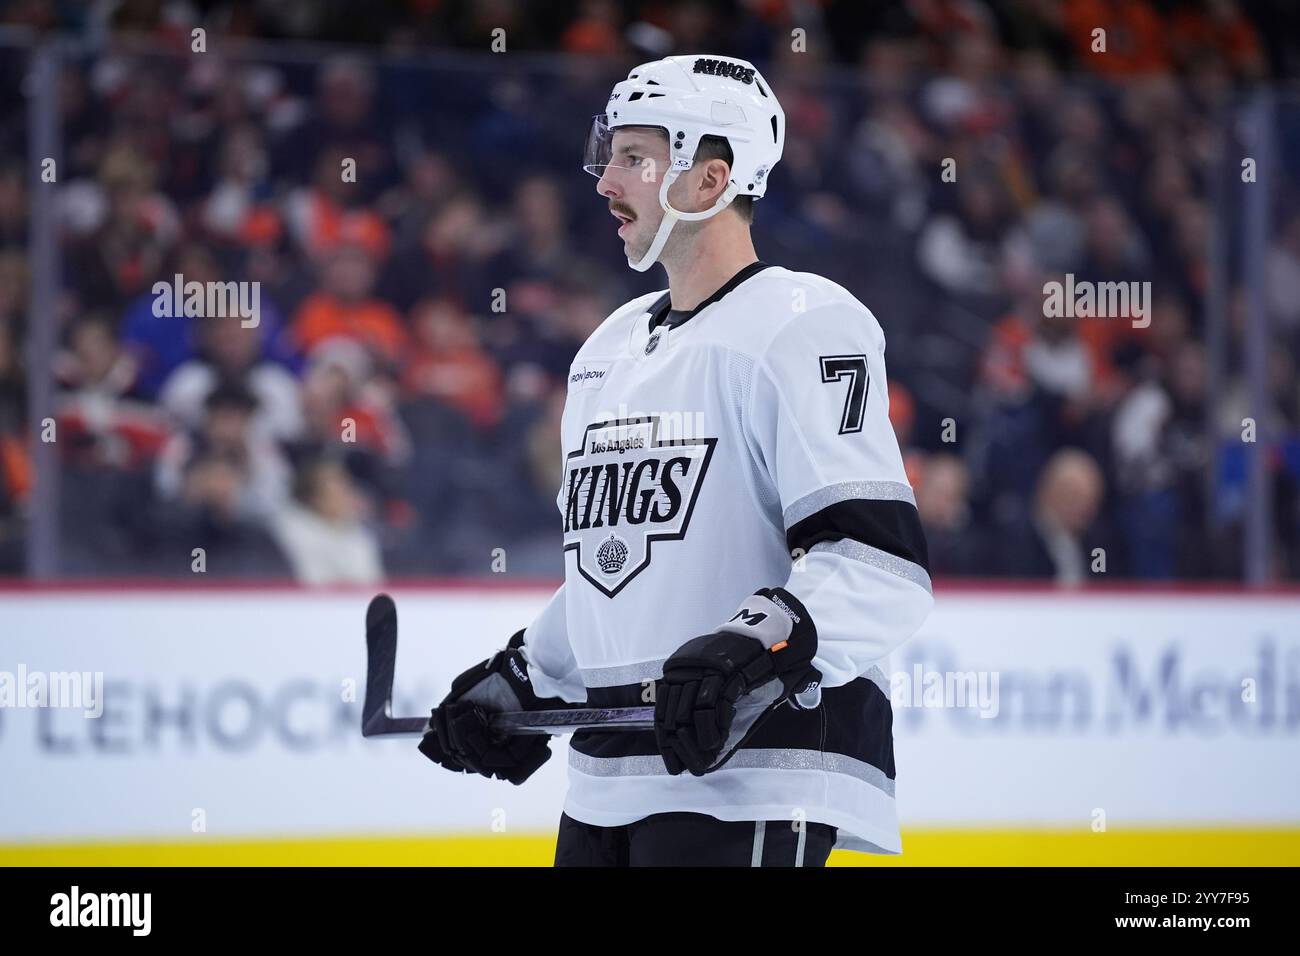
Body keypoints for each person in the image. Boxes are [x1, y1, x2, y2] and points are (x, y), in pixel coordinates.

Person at [417, 55, 933, 867]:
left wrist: (749, 647)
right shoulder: (605, 351)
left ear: (709, 179)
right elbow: (619, 574)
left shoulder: (803, 324)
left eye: (633, 158)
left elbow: (876, 563)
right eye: (609, 154)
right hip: (606, 786)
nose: (603, 182)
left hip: (753, 773)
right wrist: (526, 675)